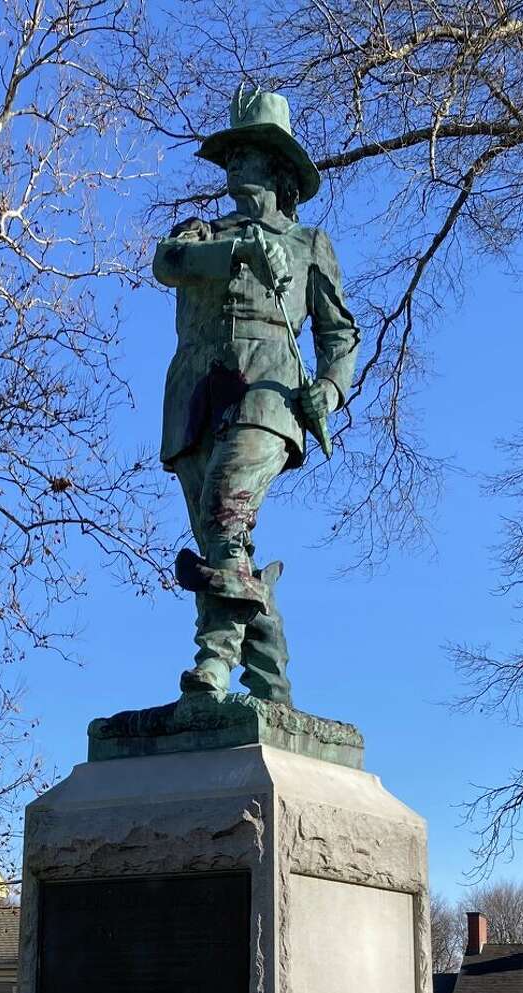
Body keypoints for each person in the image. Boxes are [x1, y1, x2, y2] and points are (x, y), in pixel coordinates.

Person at [154, 88, 359, 705]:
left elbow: (339, 333)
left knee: (224, 520)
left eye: (248, 154)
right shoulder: (200, 235)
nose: (235, 165)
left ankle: (211, 666)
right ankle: (270, 681)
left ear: (278, 170)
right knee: (230, 546)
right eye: (231, 155)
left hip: (266, 395)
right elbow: (169, 262)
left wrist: (329, 386)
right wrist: (239, 249)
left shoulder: (308, 244)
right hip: (194, 401)